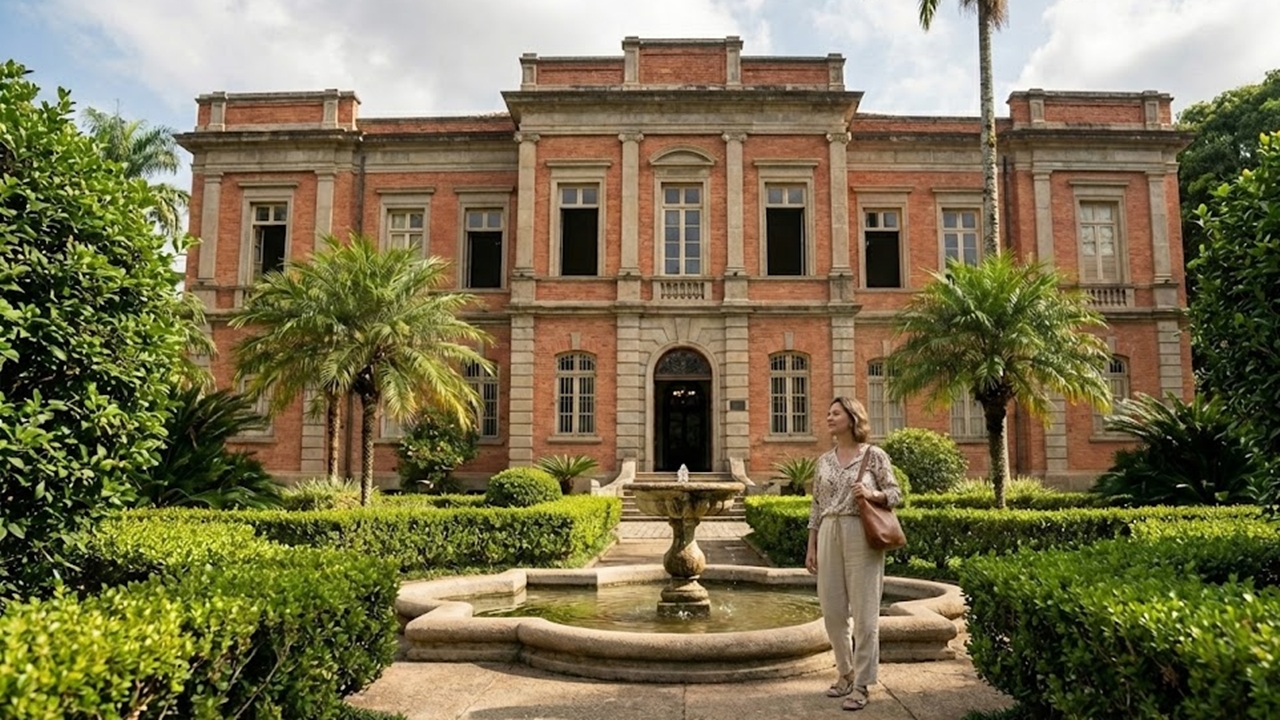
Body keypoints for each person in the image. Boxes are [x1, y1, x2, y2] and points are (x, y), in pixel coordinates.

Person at [804, 396, 903, 712]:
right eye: (828, 413)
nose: (829, 418)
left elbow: (896, 493)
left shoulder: (874, 456)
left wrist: (872, 494)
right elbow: (816, 506)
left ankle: (862, 683)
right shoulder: (824, 461)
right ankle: (845, 672)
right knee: (832, 611)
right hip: (828, 531)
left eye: (836, 413)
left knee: (864, 613)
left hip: (860, 532)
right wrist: (811, 545)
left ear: (852, 417)